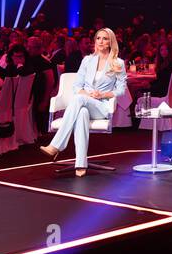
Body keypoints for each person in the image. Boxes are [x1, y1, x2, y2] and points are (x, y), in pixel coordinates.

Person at [39, 28, 125, 177]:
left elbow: (121, 90)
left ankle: (56, 145)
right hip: (86, 102)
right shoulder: (87, 60)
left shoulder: (118, 63)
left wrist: (102, 94)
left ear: (111, 42)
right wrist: (88, 94)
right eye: (98, 38)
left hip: (102, 106)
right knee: (82, 113)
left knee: (79, 99)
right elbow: (77, 86)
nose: (100, 41)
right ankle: (81, 163)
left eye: (104, 38)